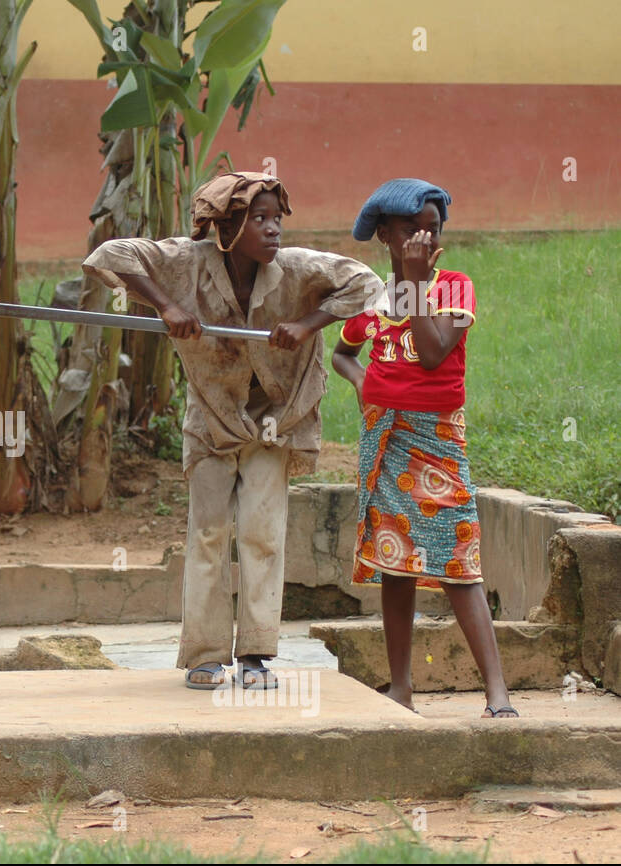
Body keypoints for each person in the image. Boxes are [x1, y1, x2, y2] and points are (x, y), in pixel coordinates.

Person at [83, 172, 385, 691]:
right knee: (207, 534)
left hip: (277, 418)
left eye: (276, 219)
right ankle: (204, 654)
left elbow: (367, 284)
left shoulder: (293, 268)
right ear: (226, 228)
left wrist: (309, 324)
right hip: (214, 417)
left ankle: (255, 655)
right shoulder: (187, 261)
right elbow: (112, 255)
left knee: (262, 535)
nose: (273, 231)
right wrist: (167, 305)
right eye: (258, 219)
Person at [332, 178, 517, 717]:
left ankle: (497, 692)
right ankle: (402, 688)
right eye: (412, 229)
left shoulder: (455, 286)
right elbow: (342, 353)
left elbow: (435, 352)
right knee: (397, 562)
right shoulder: (374, 299)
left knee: (459, 555)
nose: (424, 238)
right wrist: (365, 382)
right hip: (386, 439)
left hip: (436, 437)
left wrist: (415, 282)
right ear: (386, 236)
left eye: (432, 230)